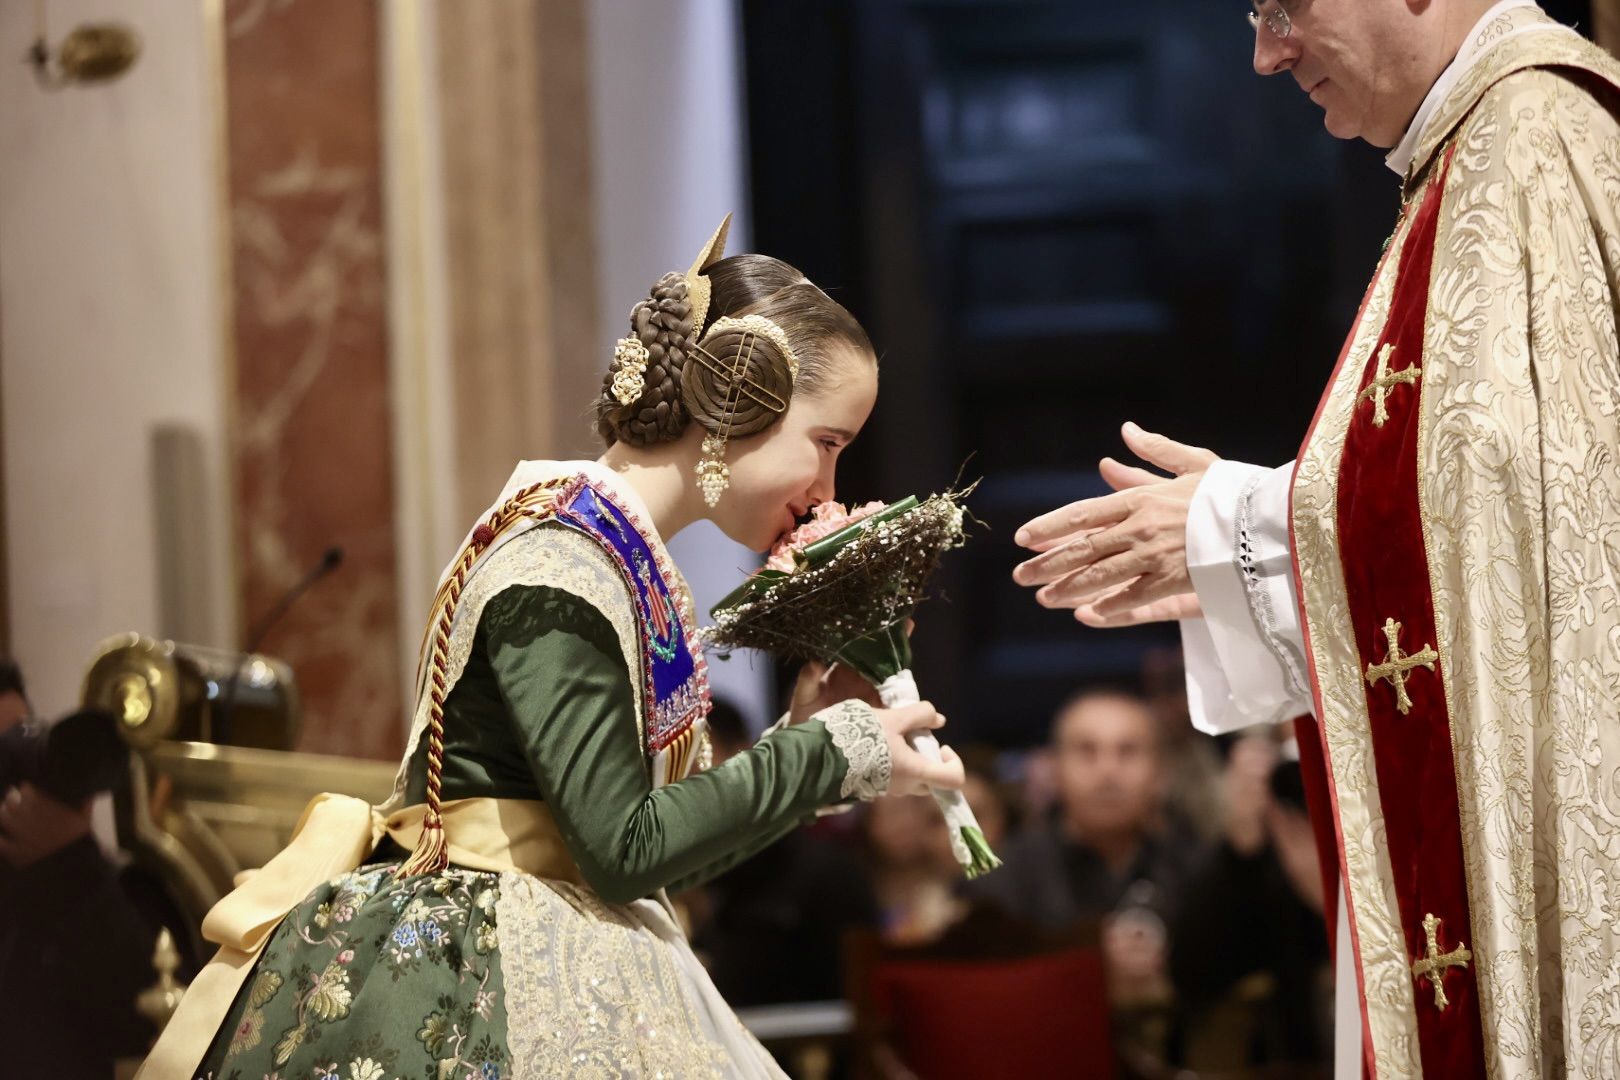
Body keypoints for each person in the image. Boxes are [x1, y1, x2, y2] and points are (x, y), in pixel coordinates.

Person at [141, 220, 965, 1080]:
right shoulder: (559, 562)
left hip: (545, 923)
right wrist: (827, 753)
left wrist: (813, 752)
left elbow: (652, 856)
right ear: (737, 396)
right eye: (827, 445)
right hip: (475, 970)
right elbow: (623, 850)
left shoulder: (610, 553)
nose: (830, 489)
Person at [1012, 3, 1620, 1076]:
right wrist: (1257, 560)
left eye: (1285, 6)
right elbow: (1481, 521)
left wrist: (1239, 527)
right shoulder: (1463, 156)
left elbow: (1543, 517)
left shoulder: (1532, 134)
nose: (1265, 54)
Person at [971, 689, 1204, 1002]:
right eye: (1086, 751)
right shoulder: (1004, 879)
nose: (1108, 771)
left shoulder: (1196, 869)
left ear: (1161, 772)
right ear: (1056, 769)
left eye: (1128, 751)